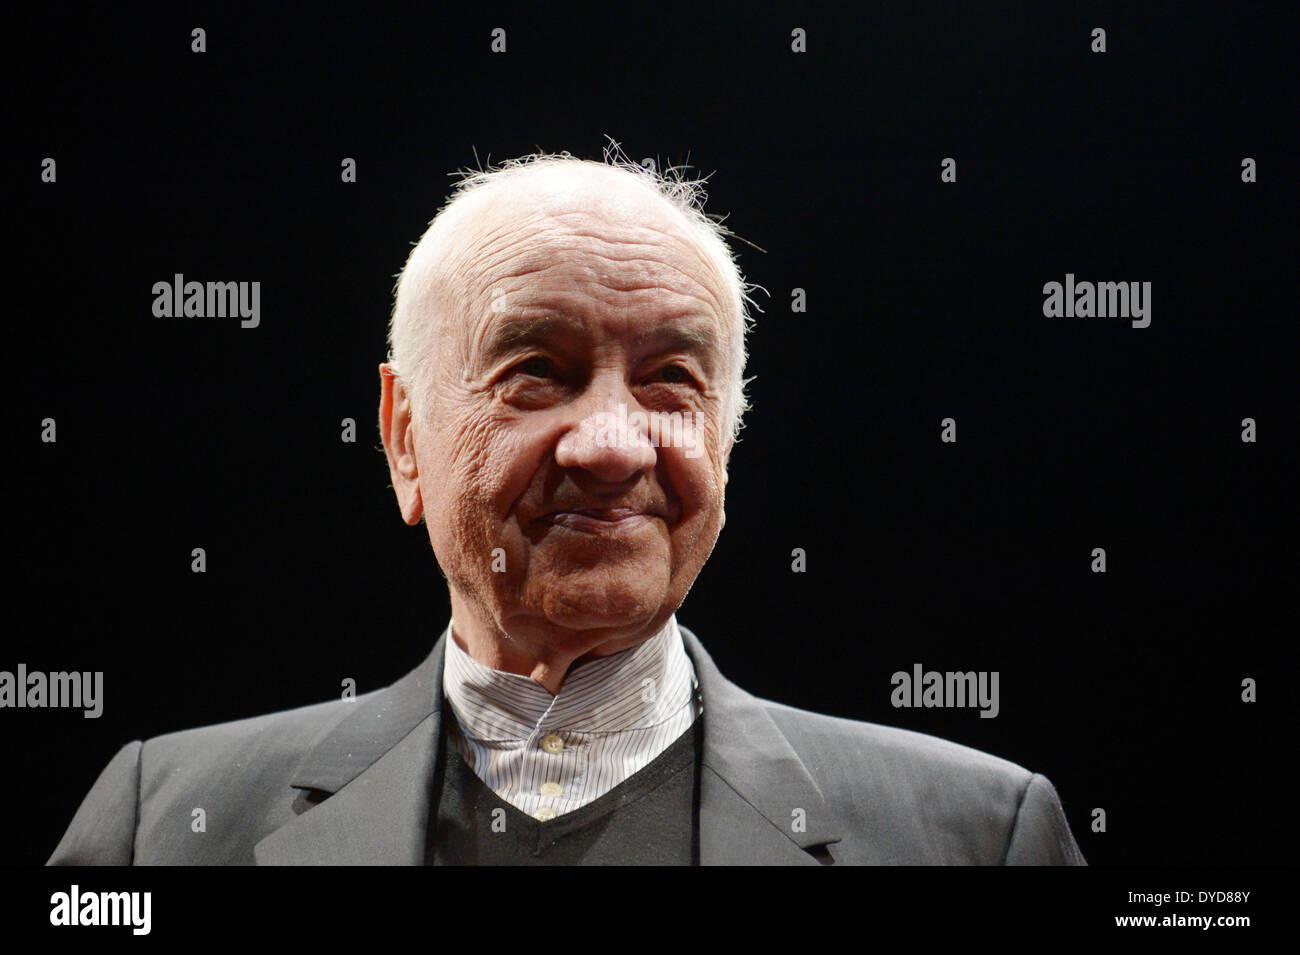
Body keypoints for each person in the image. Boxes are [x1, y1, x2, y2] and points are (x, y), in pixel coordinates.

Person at [48, 147, 1086, 865]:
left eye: (671, 380)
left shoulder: (974, 835)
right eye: (536, 370)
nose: (611, 444)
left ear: (725, 434)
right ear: (404, 436)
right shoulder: (164, 823)